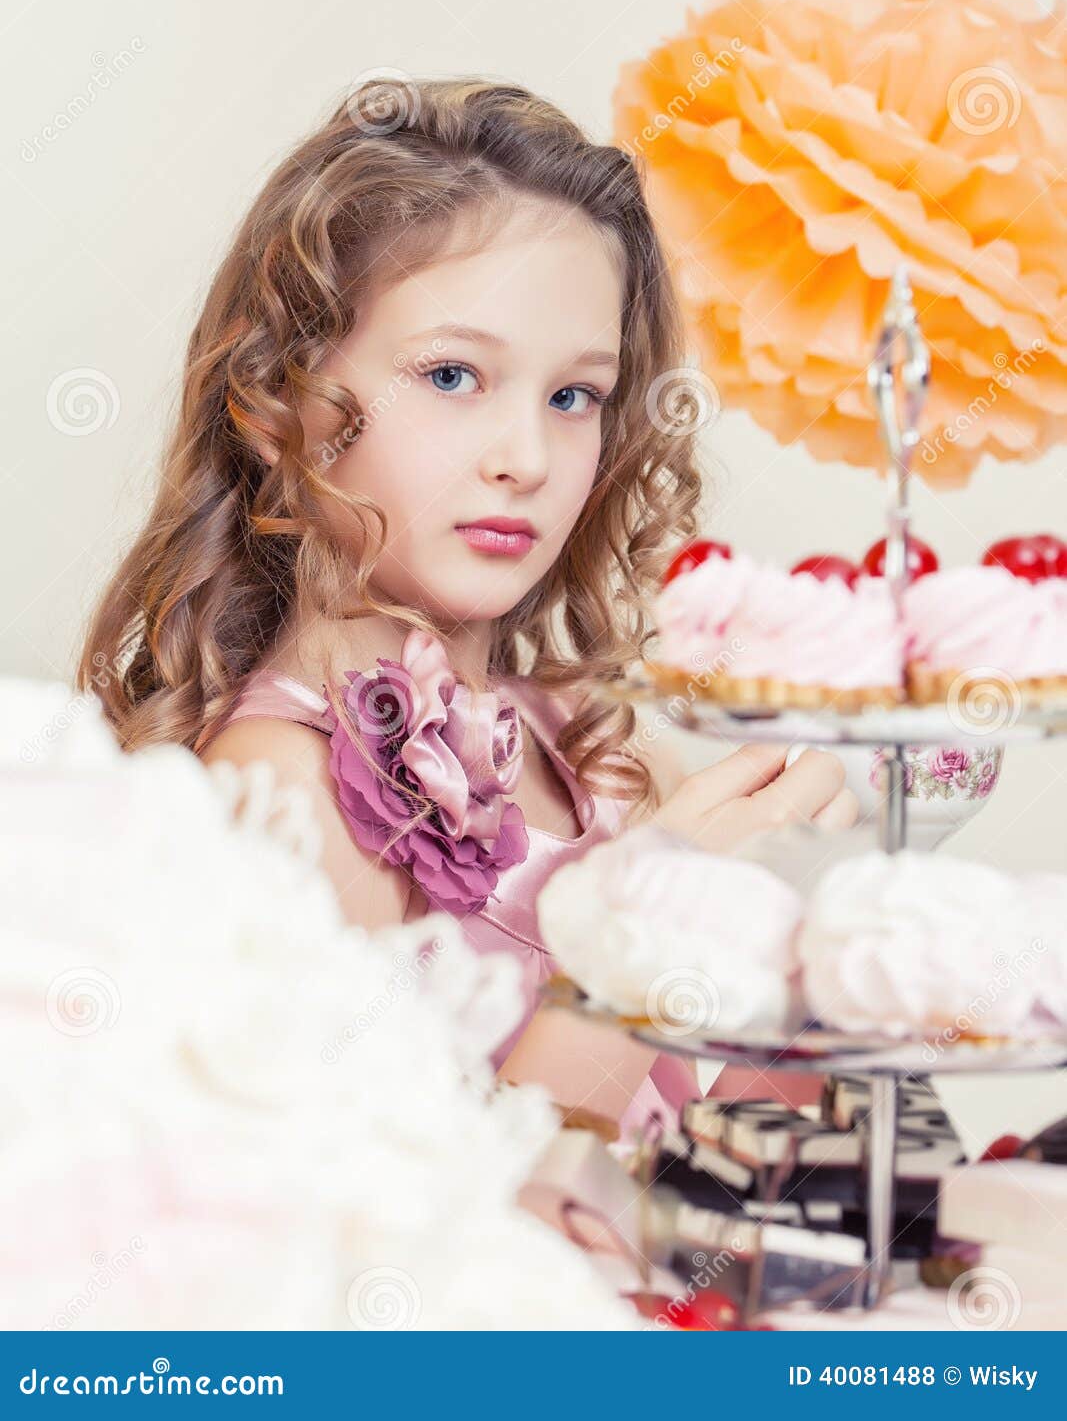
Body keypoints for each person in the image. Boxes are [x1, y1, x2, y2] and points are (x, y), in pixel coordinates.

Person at [78, 76, 857, 1139]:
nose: (526, 459)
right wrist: (647, 932)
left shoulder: (587, 748)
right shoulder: (276, 794)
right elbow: (416, 1224)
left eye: (572, 395)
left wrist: (806, 946)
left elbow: (733, 1164)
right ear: (275, 401)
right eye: (450, 376)